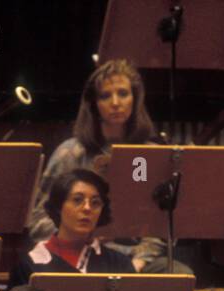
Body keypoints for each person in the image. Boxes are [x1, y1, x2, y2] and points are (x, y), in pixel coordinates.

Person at [26, 59, 179, 273]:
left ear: (135, 100)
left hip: (138, 258)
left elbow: (162, 224)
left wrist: (139, 262)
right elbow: (38, 221)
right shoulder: (70, 153)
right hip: (79, 255)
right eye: (105, 96)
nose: (115, 102)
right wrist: (79, 236)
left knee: (180, 274)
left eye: (123, 93)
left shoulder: (149, 154)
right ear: (94, 105)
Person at [10, 169, 135, 286]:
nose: (87, 208)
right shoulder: (29, 265)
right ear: (59, 207)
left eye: (95, 202)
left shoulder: (119, 264)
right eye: (77, 200)